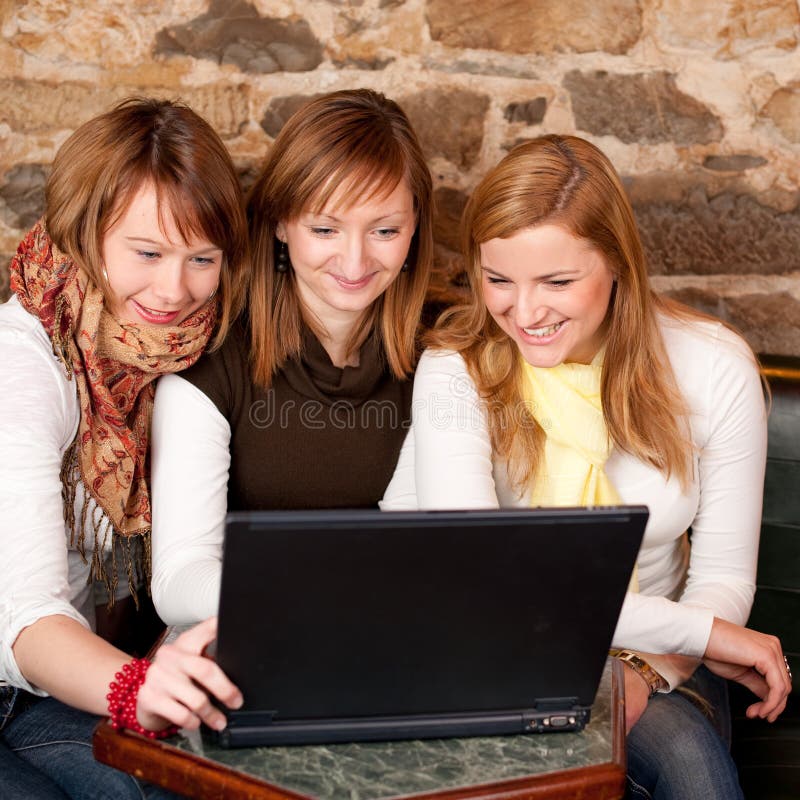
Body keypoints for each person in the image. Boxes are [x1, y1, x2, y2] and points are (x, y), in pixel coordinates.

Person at [380, 134, 792, 799]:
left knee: (692, 770)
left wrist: (647, 666)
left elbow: (719, 579)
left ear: (618, 264)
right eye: (499, 280)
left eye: (558, 281)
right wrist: (708, 634)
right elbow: (494, 582)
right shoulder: (456, 370)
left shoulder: (714, 367)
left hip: (660, 659)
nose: (526, 311)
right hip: (488, 649)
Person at [0, 98, 249, 799]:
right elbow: (27, 616)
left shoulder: (174, 355)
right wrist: (137, 684)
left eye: (201, 258)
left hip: (49, 690)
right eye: (147, 253)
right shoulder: (24, 365)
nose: (174, 291)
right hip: (29, 664)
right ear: (85, 231)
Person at [150, 88, 433, 624]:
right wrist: (321, 598)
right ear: (280, 221)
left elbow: (435, 545)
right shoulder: (211, 356)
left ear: (416, 225)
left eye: (385, 230)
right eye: (324, 229)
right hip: (251, 637)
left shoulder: (439, 358)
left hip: (394, 631)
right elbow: (179, 578)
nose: (355, 260)